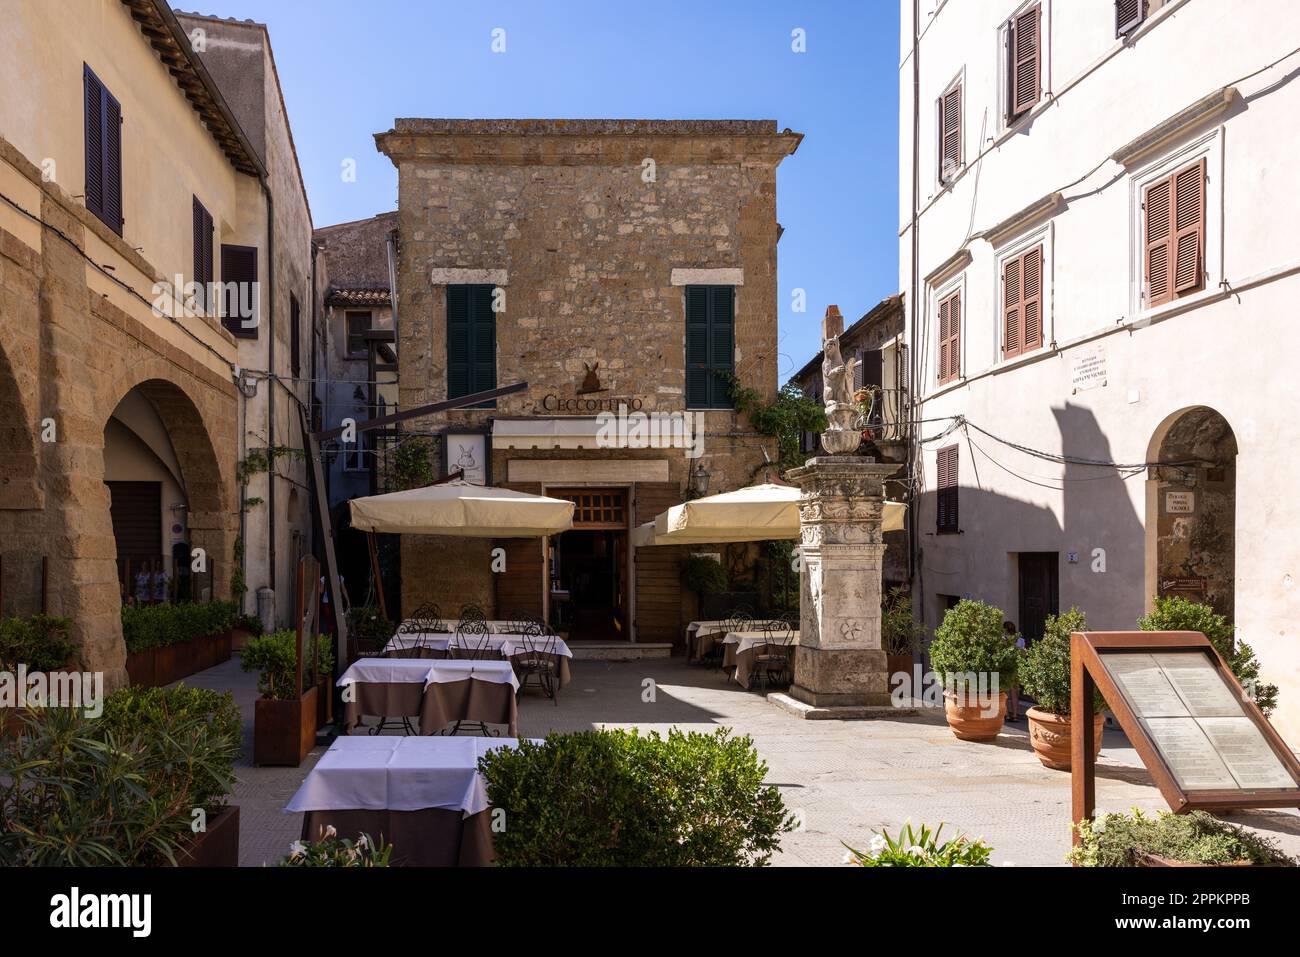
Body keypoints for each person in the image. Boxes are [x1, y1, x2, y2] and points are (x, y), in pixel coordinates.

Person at [1004, 620, 1026, 722]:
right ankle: (1015, 716)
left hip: (1005, 668)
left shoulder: (1002, 639)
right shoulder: (1020, 640)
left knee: (1004, 694)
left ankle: (1007, 714)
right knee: (1014, 694)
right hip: (1015, 668)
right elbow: (1024, 655)